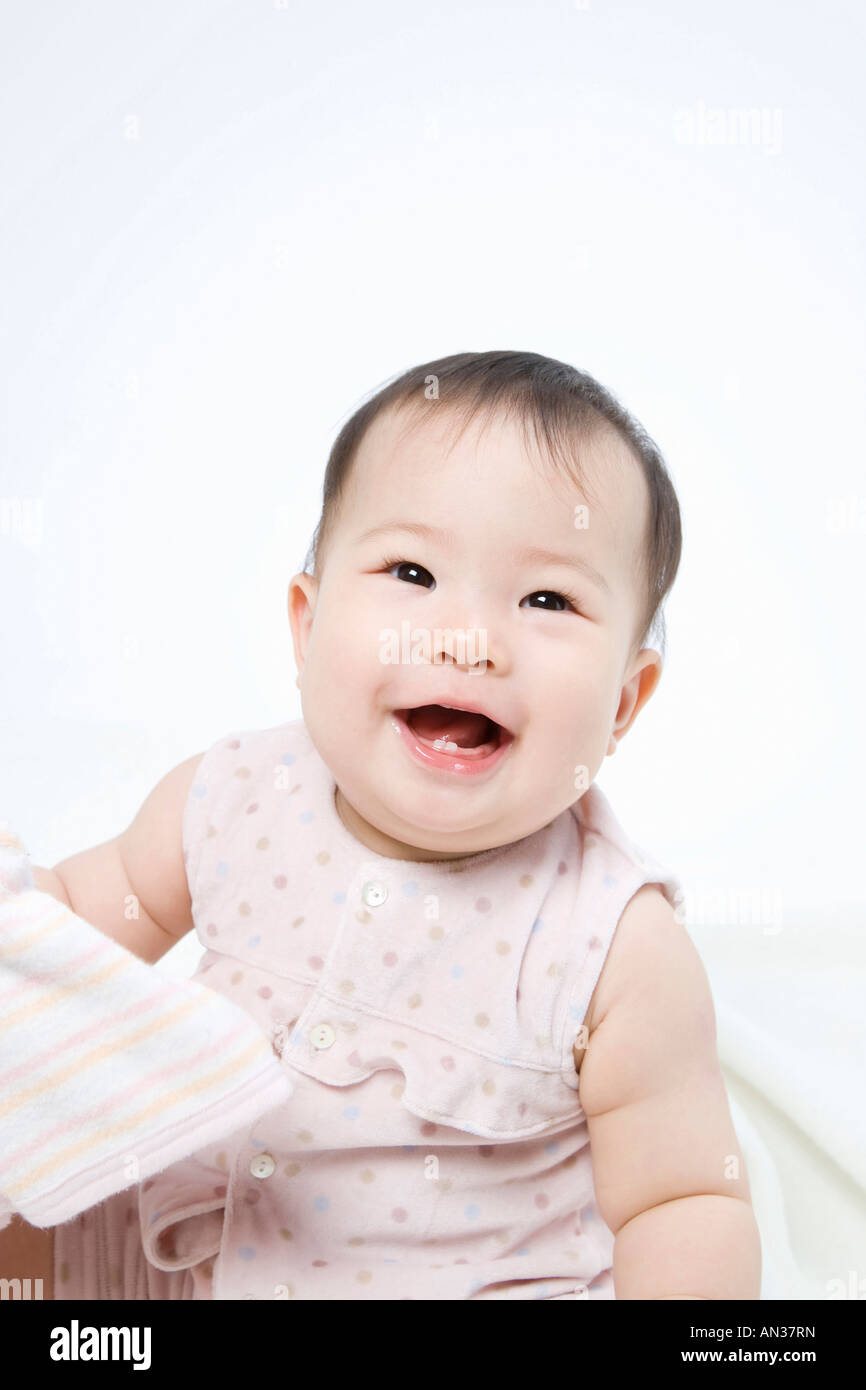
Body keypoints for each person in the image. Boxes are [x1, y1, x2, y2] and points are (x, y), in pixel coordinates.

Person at [0, 349, 761, 1299]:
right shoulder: (230, 796)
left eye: (546, 600)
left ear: (623, 701)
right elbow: (71, 933)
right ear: (307, 627)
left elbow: (681, 1201)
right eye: (412, 571)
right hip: (178, 1251)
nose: (466, 640)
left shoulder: (612, 941)